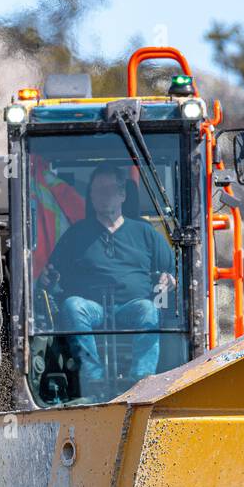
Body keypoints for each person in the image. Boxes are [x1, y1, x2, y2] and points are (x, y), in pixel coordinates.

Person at [49, 166, 176, 389]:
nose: (102, 196)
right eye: (97, 191)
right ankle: (93, 378)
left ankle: (142, 380)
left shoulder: (145, 233)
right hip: (92, 308)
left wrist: (170, 280)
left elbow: (171, 272)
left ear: (123, 195)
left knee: (149, 308)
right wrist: (47, 278)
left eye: (109, 190)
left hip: (132, 306)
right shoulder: (75, 234)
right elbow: (52, 273)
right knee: (72, 305)